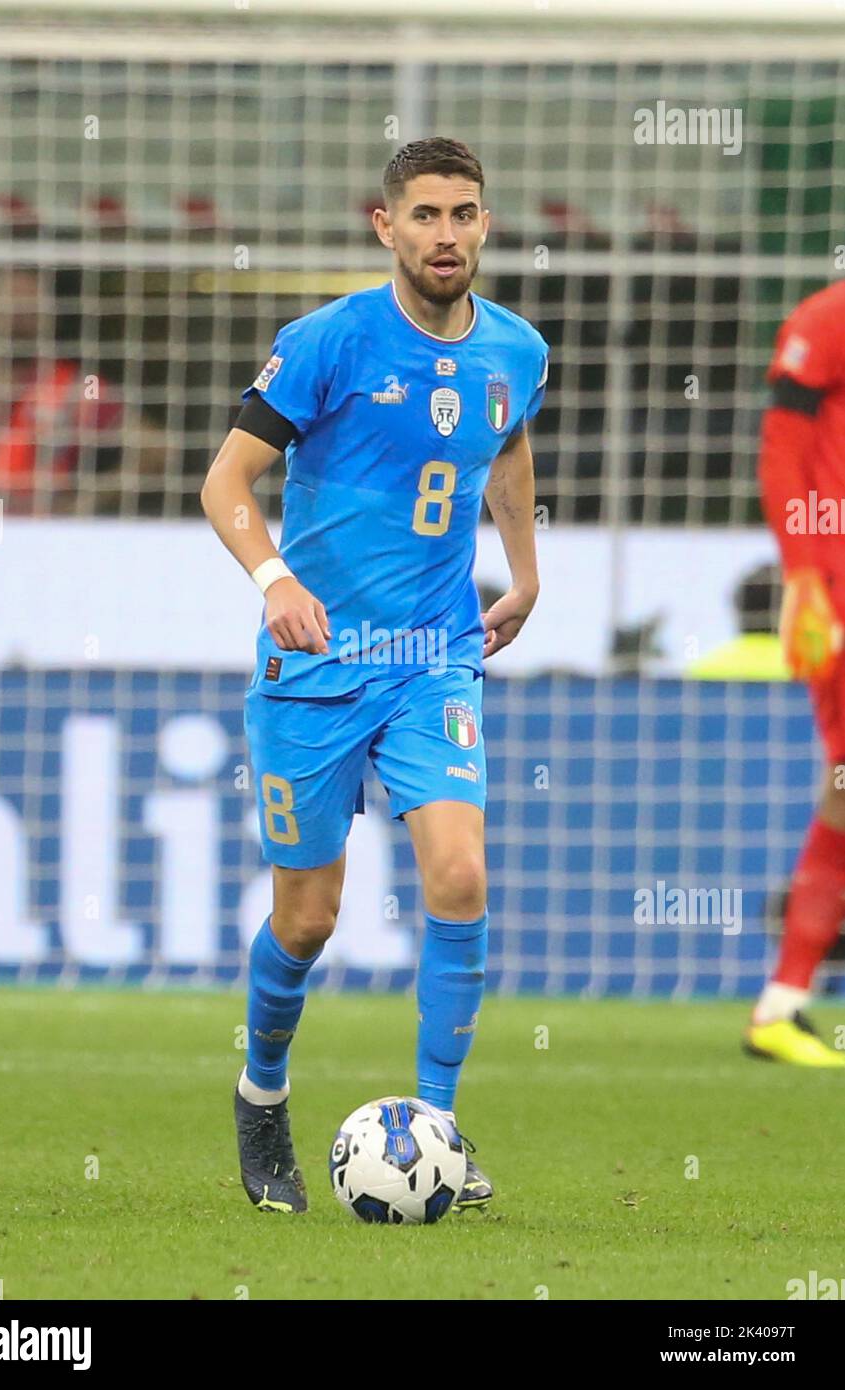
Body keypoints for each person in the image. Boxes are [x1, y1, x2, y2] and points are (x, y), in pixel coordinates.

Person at [202, 137, 549, 1212]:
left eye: (464, 215)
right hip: (312, 663)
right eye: (426, 216)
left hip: (431, 657)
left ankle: (437, 1127)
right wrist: (271, 579)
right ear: (384, 226)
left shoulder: (515, 350)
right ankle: (262, 1097)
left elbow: (506, 445)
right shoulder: (326, 343)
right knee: (307, 920)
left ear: (485, 225)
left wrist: (524, 574)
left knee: (458, 876)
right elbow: (225, 481)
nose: (445, 235)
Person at [747, 279, 845, 1066]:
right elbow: (781, 449)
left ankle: (781, 1001)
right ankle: (781, 1001)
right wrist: (803, 574)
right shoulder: (827, 316)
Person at [0, 266, 168, 515]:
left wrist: (84, 503)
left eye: (29, 303)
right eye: (12, 301)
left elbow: (155, 448)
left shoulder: (79, 387)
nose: (19, 313)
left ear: (53, 314)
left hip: (42, 533)